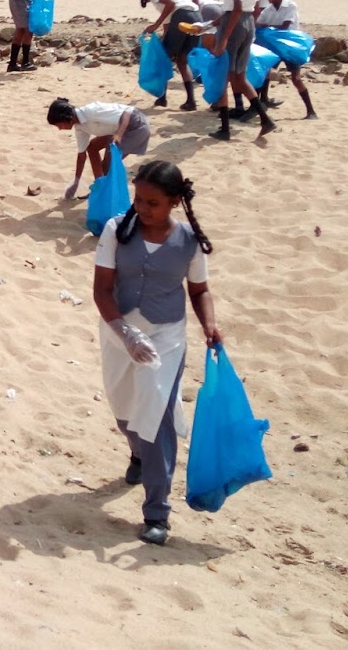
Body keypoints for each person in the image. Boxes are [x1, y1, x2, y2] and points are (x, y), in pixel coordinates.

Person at [91, 160, 220, 546]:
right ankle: (137, 455)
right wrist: (125, 332)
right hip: (119, 331)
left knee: (156, 415)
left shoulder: (189, 243)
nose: (144, 210)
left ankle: (157, 512)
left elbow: (199, 291)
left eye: (154, 203)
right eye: (139, 200)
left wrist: (209, 324)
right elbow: (102, 290)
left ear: (175, 203)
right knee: (125, 410)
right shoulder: (118, 231)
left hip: (166, 337)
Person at [210, 0, 277, 140]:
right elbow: (253, 7)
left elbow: (236, 8)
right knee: (239, 75)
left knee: (222, 72)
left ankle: (224, 129)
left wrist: (223, 39)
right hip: (248, 22)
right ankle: (265, 119)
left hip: (236, 22)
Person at [46, 98, 151, 200]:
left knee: (107, 164)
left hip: (135, 126)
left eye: (58, 125)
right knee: (92, 147)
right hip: (115, 130)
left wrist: (119, 134)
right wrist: (76, 182)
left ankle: (102, 193)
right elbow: (82, 156)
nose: (60, 129)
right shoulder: (79, 128)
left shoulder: (91, 111)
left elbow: (127, 113)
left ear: (64, 118)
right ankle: (100, 187)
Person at [137, 0, 200, 110]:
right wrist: (162, 41)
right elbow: (167, 26)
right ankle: (191, 101)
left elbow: (170, 4)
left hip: (182, 16)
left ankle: (162, 98)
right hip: (196, 17)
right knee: (182, 60)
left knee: (162, 59)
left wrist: (155, 25)